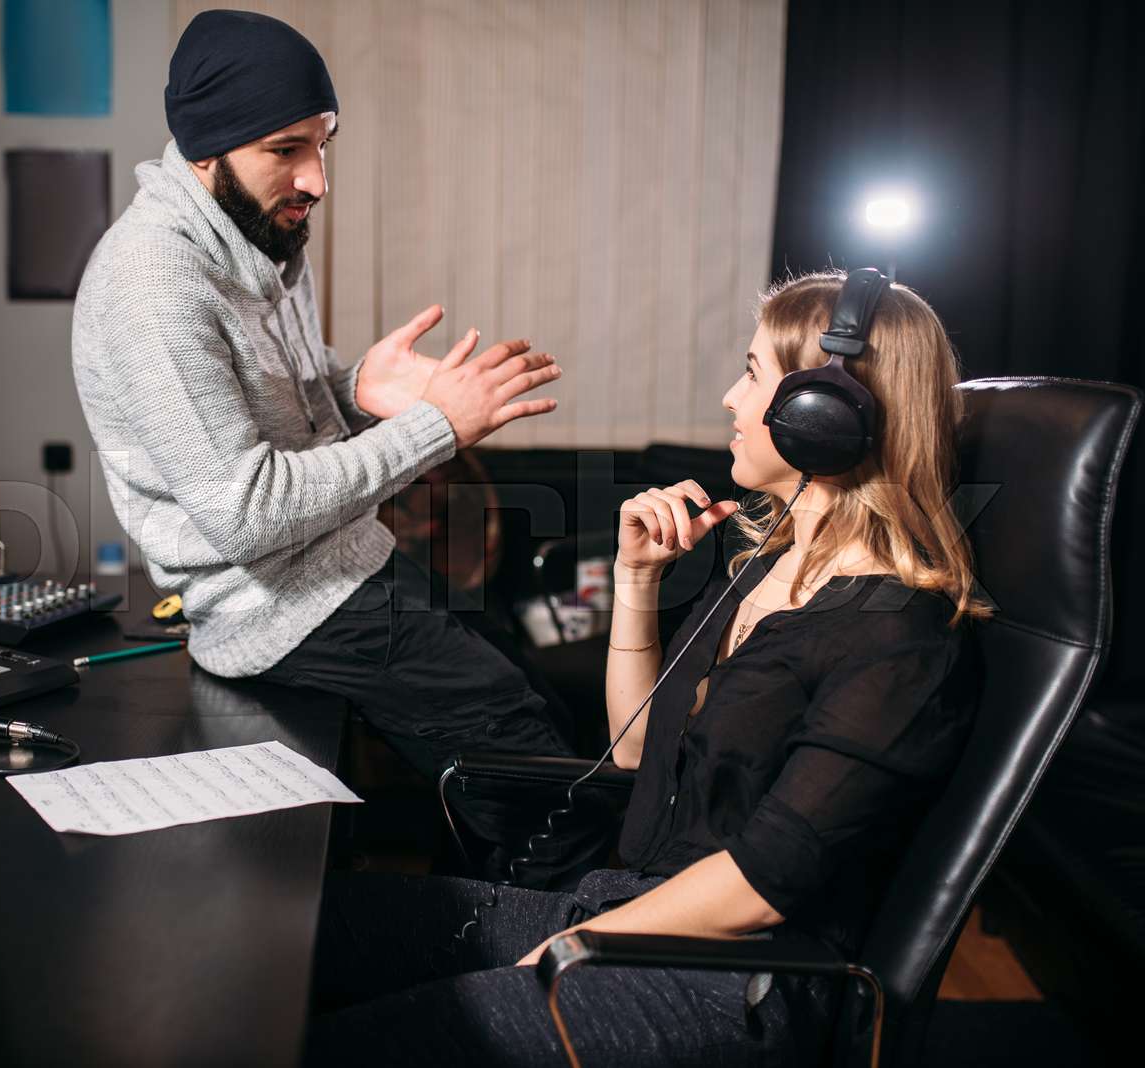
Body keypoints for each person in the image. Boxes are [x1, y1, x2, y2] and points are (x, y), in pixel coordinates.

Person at [305, 270, 990, 1066]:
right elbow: (636, 751)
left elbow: (762, 883)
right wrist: (638, 582)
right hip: (639, 914)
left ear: (824, 418)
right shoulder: (767, 567)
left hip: (736, 982)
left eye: (753, 375)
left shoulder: (901, 639)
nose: (732, 401)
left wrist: (571, 944)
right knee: (303, 929)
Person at [70, 10, 577, 871]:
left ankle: (526, 928)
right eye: (285, 148)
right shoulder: (155, 283)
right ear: (207, 151)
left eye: (324, 143)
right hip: (280, 605)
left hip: (335, 564)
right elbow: (246, 511)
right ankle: (592, 959)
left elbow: (273, 406)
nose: (317, 177)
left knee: (516, 719)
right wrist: (435, 427)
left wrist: (355, 391)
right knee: (527, 762)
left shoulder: (255, 238)